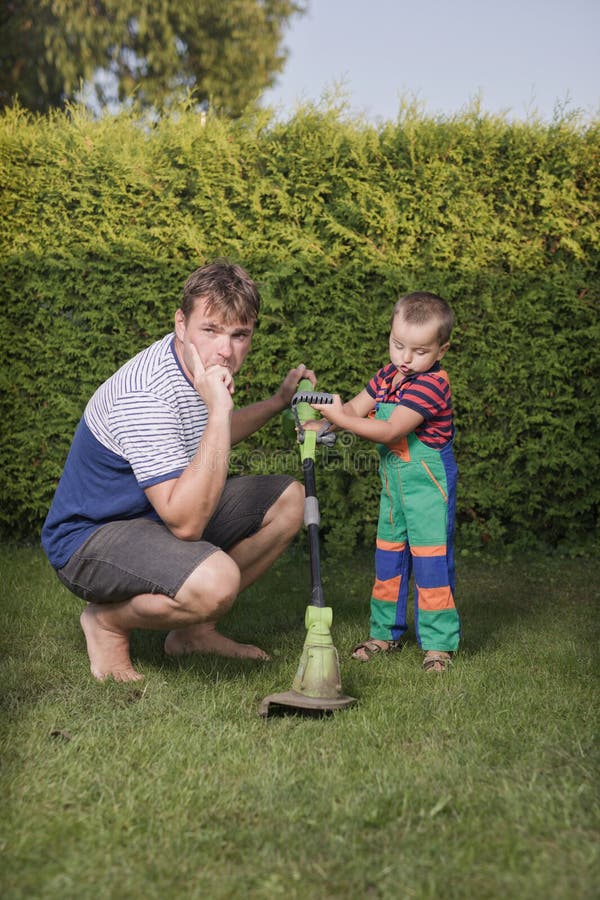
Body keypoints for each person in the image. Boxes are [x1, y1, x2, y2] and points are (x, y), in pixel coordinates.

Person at [42, 260, 315, 682]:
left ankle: (193, 633)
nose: (225, 350)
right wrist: (220, 409)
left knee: (288, 499)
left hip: (154, 514)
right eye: (211, 330)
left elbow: (208, 435)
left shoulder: (197, 369)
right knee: (216, 582)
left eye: (239, 335)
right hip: (90, 538)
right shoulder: (146, 393)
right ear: (181, 324)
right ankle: (107, 622)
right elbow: (186, 523)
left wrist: (277, 402)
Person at [310, 291, 460, 673]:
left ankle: (438, 645)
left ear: (441, 350)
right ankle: (384, 634)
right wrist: (323, 422)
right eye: (398, 346)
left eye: (419, 351)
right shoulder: (388, 376)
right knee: (388, 561)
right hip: (395, 490)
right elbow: (355, 409)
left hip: (428, 489)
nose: (406, 359)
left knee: (431, 565)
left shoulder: (431, 385)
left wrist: (340, 421)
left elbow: (389, 429)